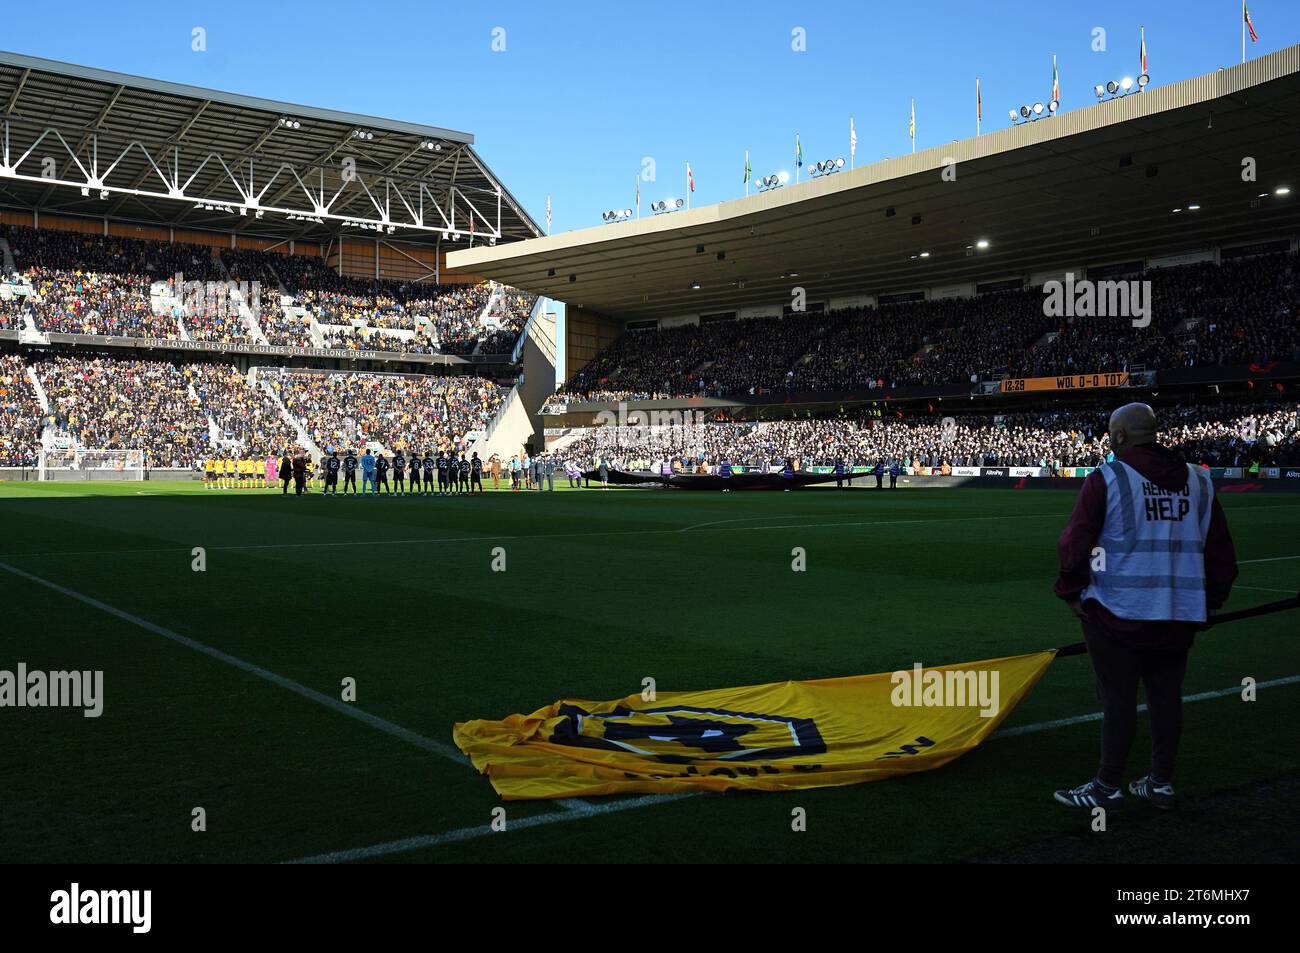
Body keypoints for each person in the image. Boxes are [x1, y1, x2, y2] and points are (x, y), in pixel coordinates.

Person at [1052, 403, 1238, 812]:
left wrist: (1071, 591)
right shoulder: (1200, 482)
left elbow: (1074, 543)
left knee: (1118, 700)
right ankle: (1160, 783)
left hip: (1117, 610)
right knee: (1167, 698)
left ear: (1119, 436)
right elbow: (1223, 555)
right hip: (1178, 614)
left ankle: (1107, 786)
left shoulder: (1109, 477)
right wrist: (1208, 602)